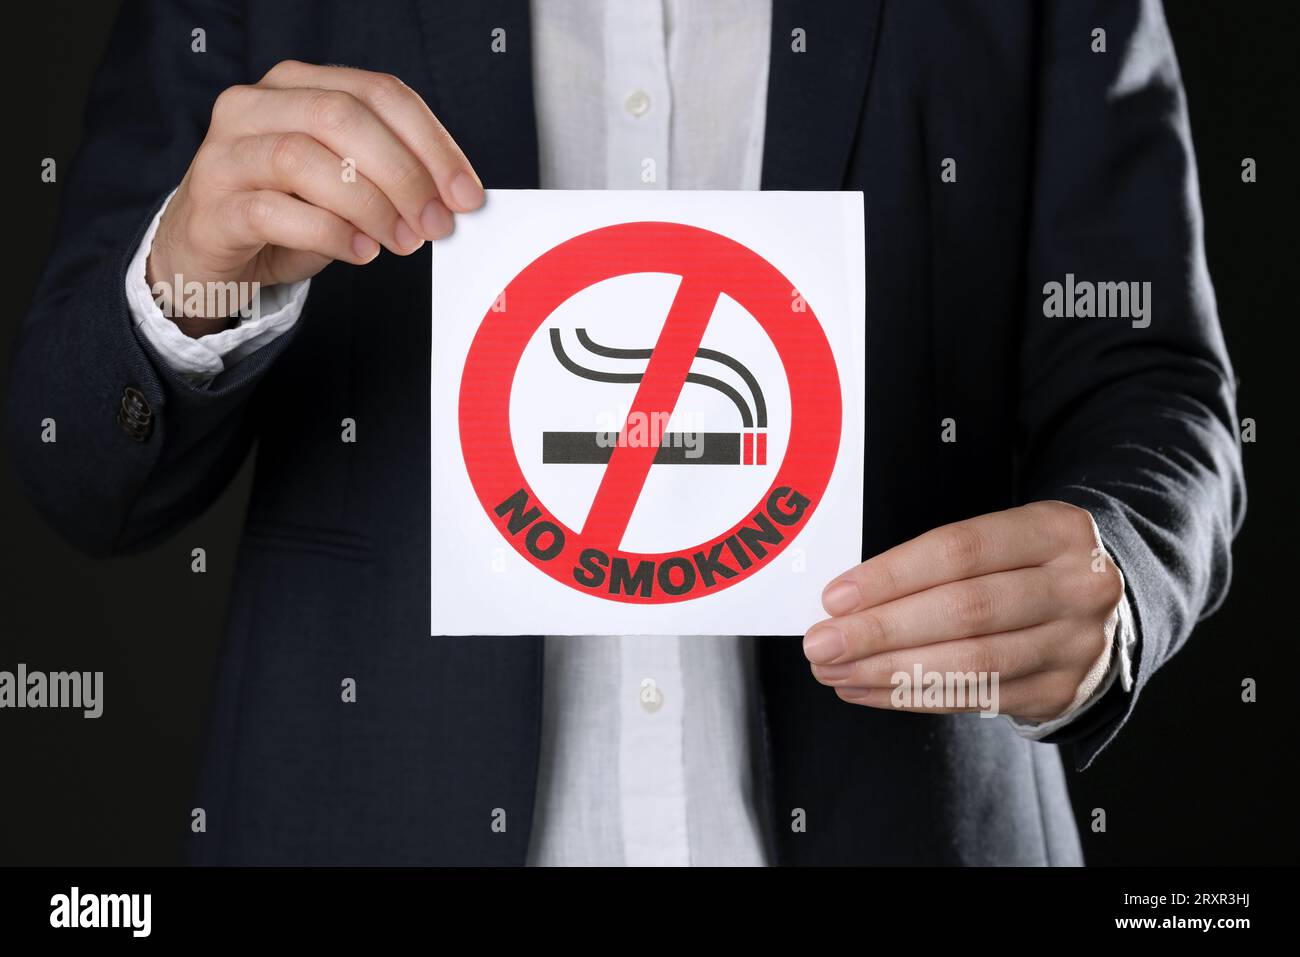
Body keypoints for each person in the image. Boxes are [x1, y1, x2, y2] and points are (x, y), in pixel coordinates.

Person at [6, 0, 1244, 865]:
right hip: (363, 817)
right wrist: (193, 278)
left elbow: (1154, 383)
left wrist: (1121, 573)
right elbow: (77, 466)